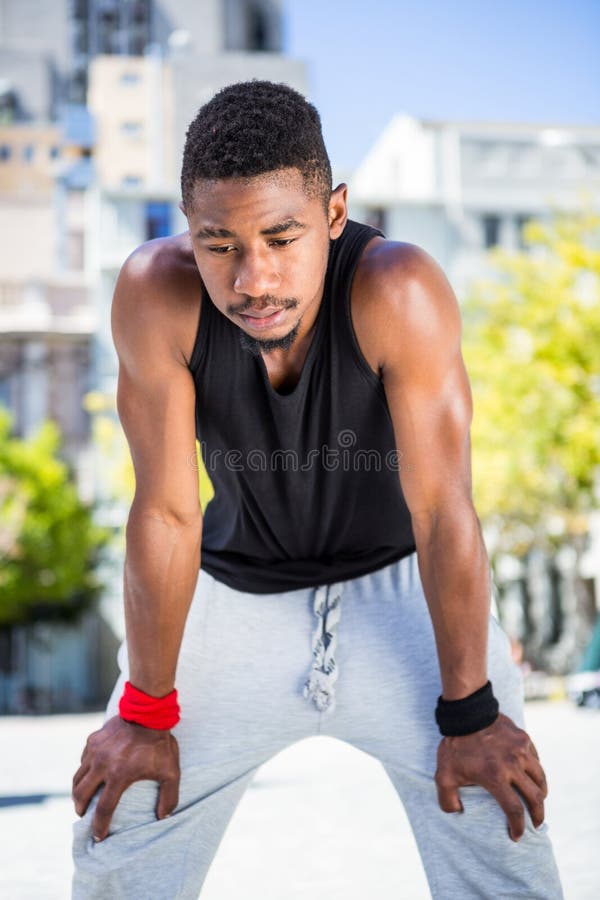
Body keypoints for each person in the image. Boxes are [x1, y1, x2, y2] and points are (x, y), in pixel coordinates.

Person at [71, 80, 564, 899]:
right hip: (231, 599)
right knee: (119, 831)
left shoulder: (396, 288)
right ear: (186, 227)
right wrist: (146, 710)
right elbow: (165, 509)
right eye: (218, 242)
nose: (253, 278)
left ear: (334, 214)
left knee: (500, 828)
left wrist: (471, 712)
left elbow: (444, 511)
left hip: (403, 593)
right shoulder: (155, 293)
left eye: (280, 236)